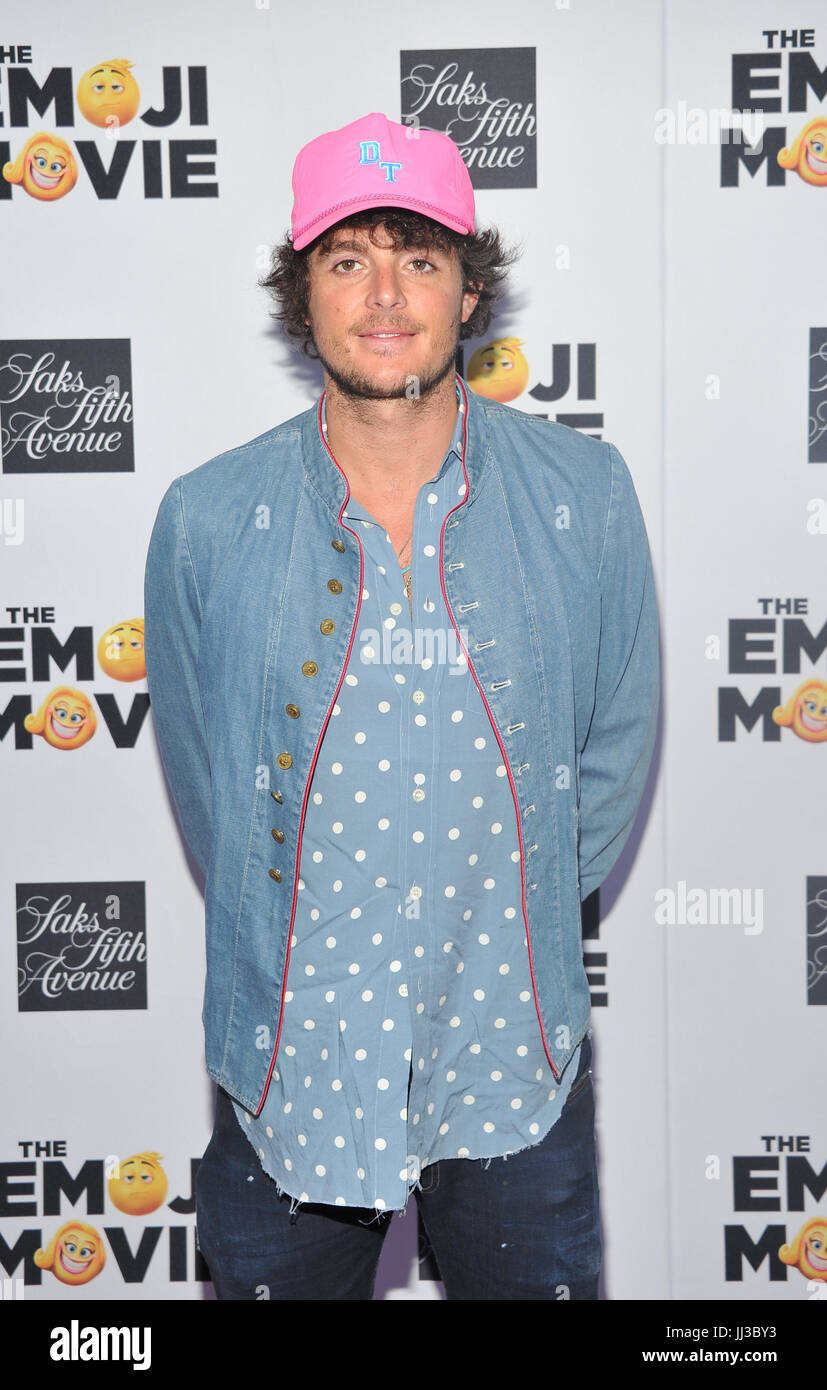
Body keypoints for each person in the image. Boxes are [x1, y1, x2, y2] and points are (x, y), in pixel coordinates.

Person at [144, 110, 660, 1301]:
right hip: (291, 1077)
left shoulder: (584, 495)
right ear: (302, 294)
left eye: (417, 258)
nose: (384, 296)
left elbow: (611, 757)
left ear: (469, 290)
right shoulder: (207, 519)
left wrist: (521, 905)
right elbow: (209, 791)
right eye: (346, 259)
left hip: (508, 1064)